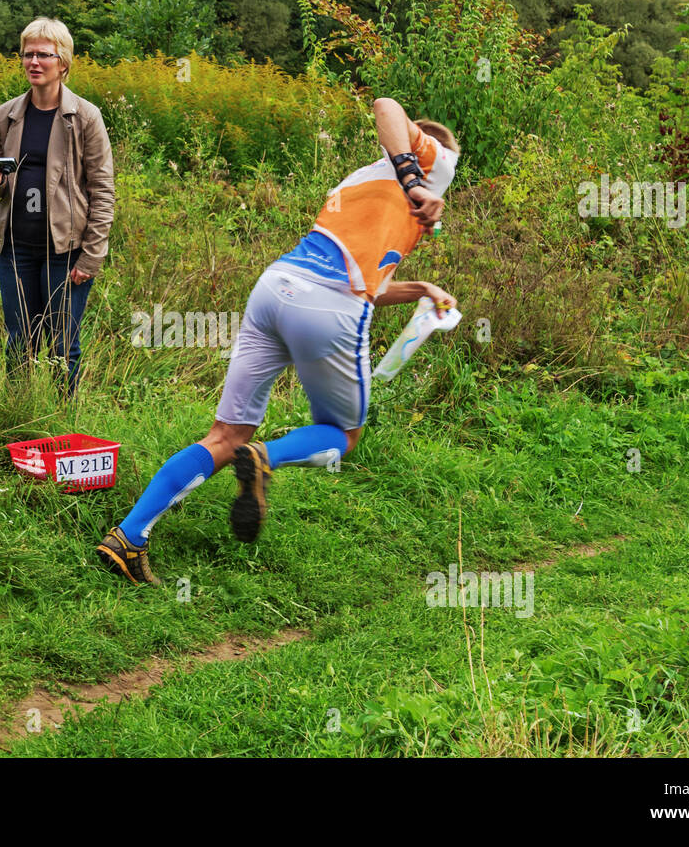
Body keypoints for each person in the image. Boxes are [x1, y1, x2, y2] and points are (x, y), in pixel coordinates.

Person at [96, 99, 460, 584]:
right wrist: (418, 179)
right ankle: (270, 458)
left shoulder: (358, 185)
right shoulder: (432, 164)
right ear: (423, 148)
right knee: (343, 435)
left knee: (225, 436)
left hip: (276, 288)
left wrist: (421, 288)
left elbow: (368, 283)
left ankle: (128, 536)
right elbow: (386, 105)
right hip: (329, 305)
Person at [0, 16, 115, 398]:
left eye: (44, 55)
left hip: (65, 251)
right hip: (16, 248)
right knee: (20, 343)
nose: (33, 62)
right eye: (27, 54)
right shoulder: (7, 114)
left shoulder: (85, 117)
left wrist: (91, 258)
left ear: (63, 62)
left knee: (62, 347)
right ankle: (18, 418)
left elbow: (103, 190)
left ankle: (61, 420)